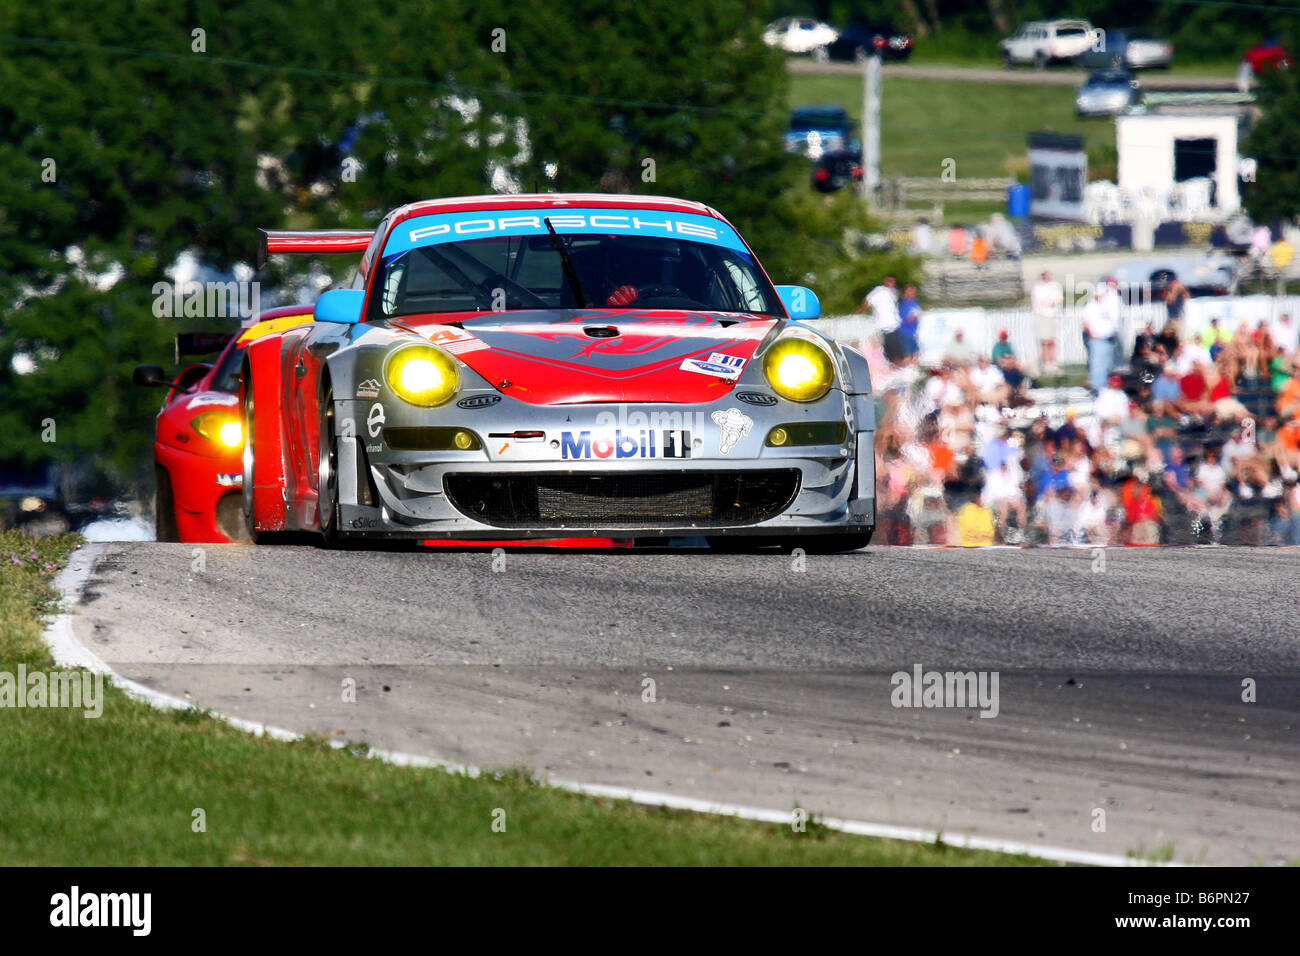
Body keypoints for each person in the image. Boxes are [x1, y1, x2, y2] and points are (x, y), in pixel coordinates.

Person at [856, 276, 902, 363]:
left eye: (893, 282)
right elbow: (867, 302)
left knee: (897, 351)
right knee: (892, 352)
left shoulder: (893, 292)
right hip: (886, 326)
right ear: (885, 281)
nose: (892, 284)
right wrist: (858, 314)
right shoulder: (879, 291)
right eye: (890, 281)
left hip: (894, 325)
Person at [1083, 288, 1117, 393]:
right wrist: (1093, 334)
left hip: (1108, 339)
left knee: (1107, 363)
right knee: (1097, 364)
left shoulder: (1106, 305)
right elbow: (1085, 322)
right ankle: (1096, 386)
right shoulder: (1090, 306)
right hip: (1097, 339)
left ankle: (1105, 385)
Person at [1031, 271, 1064, 376]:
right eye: (1044, 275)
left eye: (1047, 275)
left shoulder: (1055, 287)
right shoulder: (1037, 288)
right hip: (1042, 316)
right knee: (1044, 342)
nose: (1046, 277)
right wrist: (1049, 303)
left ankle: (1054, 365)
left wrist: (1052, 303)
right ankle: (1046, 365)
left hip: (1053, 316)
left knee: (1052, 341)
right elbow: (1040, 303)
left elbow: (1059, 301)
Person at [897, 285, 922, 363]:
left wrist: (920, 316)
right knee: (907, 356)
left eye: (914, 291)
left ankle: (915, 373)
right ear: (906, 292)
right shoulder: (903, 304)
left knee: (916, 355)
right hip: (906, 334)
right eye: (910, 291)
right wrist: (915, 316)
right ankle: (905, 373)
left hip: (915, 333)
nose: (913, 293)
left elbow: (919, 316)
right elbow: (906, 319)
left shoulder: (916, 302)